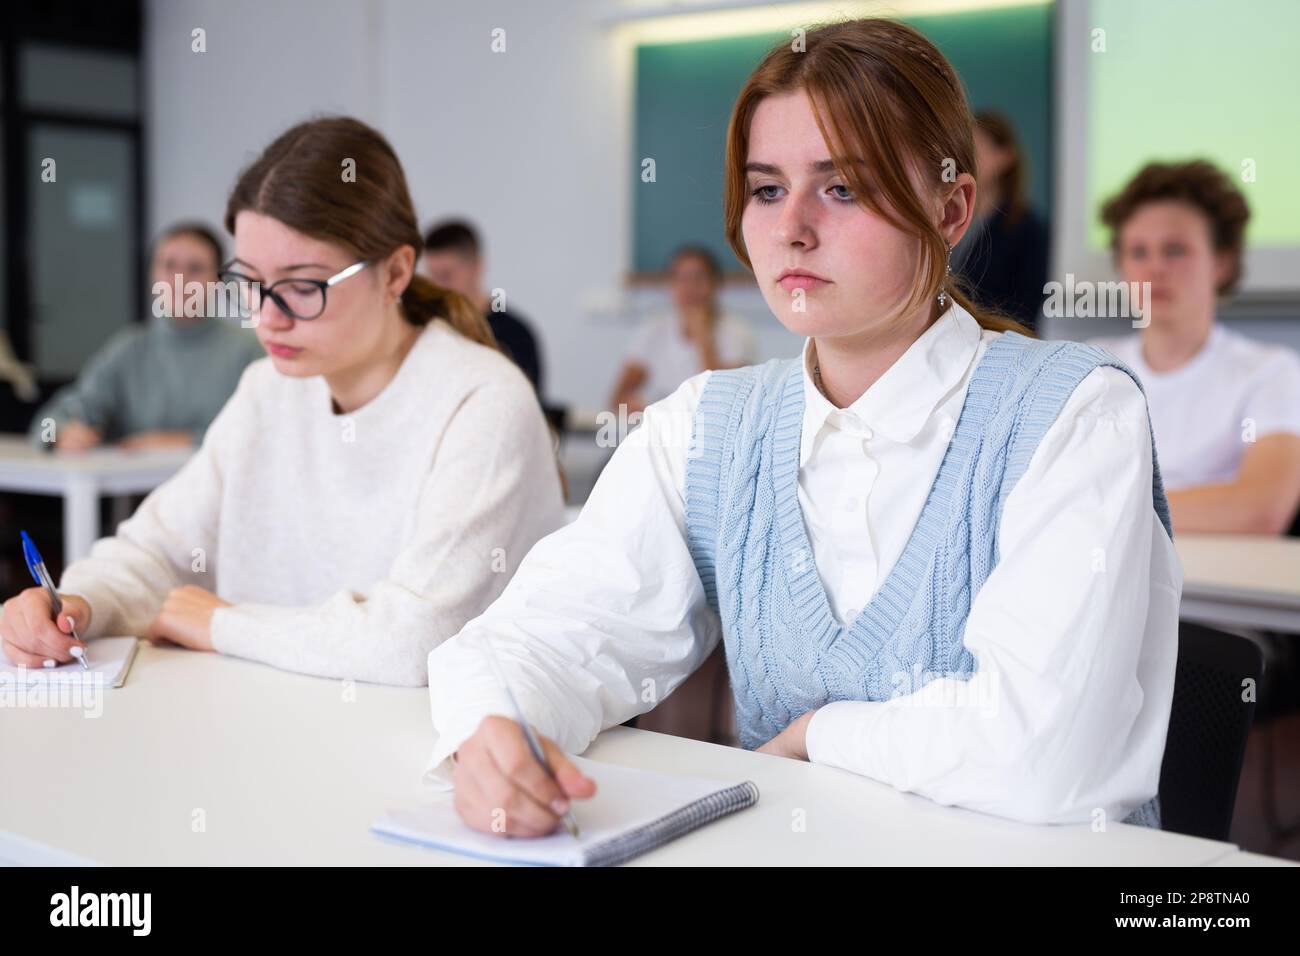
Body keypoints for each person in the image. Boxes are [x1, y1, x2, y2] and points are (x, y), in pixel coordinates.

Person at [423, 19, 1180, 836]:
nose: (793, 228)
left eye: (844, 188)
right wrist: (493, 728)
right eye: (767, 189)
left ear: (953, 208)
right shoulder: (710, 428)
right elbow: (551, 633)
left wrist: (823, 734)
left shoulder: (1075, 413)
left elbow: (1047, 754)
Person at [1, 117, 564, 685]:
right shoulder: (268, 389)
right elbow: (155, 552)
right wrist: (78, 604)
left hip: (424, 758)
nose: (266, 318)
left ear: (395, 272)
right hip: (269, 728)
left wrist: (223, 624)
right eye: (250, 281)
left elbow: (417, 639)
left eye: (301, 286)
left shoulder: (484, 402)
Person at [1091, 160, 1300, 534]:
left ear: (1220, 263)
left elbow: (1261, 509)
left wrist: (1102, 508)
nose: (1155, 268)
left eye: (1175, 250)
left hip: (1221, 587)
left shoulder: (1271, 371)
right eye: (1138, 252)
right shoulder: (1091, 367)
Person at [28, 223, 262, 452]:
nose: (179, 280)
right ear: (152, 274)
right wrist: (58, 434)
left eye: (195, 268)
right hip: (139, 491)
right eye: (169, 265)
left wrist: (181, 442)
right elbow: (47, 421)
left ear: (218, 281)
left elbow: (266, 431)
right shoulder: (129, 348)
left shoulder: (249, 351)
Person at [609, 245, 755, 414]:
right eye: (681, 278)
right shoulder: (654, 328)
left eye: (698, 278)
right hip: (662, 430)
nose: (690, 287)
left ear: (716, 284)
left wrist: (703, 338)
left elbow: (722, 403)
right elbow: (618, 397)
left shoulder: (737, 332)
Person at [950, 111, 1049, 333]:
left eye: (975, 149)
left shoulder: (1027, 229)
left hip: (999, 349)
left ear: (1004, 157)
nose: (964, 159)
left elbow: (1025, 313)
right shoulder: (950, 220)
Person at [422, 219, 544, 397]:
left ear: (477, 267)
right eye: (432, 275)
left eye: (446, 275)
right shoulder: (424, 327)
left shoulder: (515, 334)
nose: (437, 286)